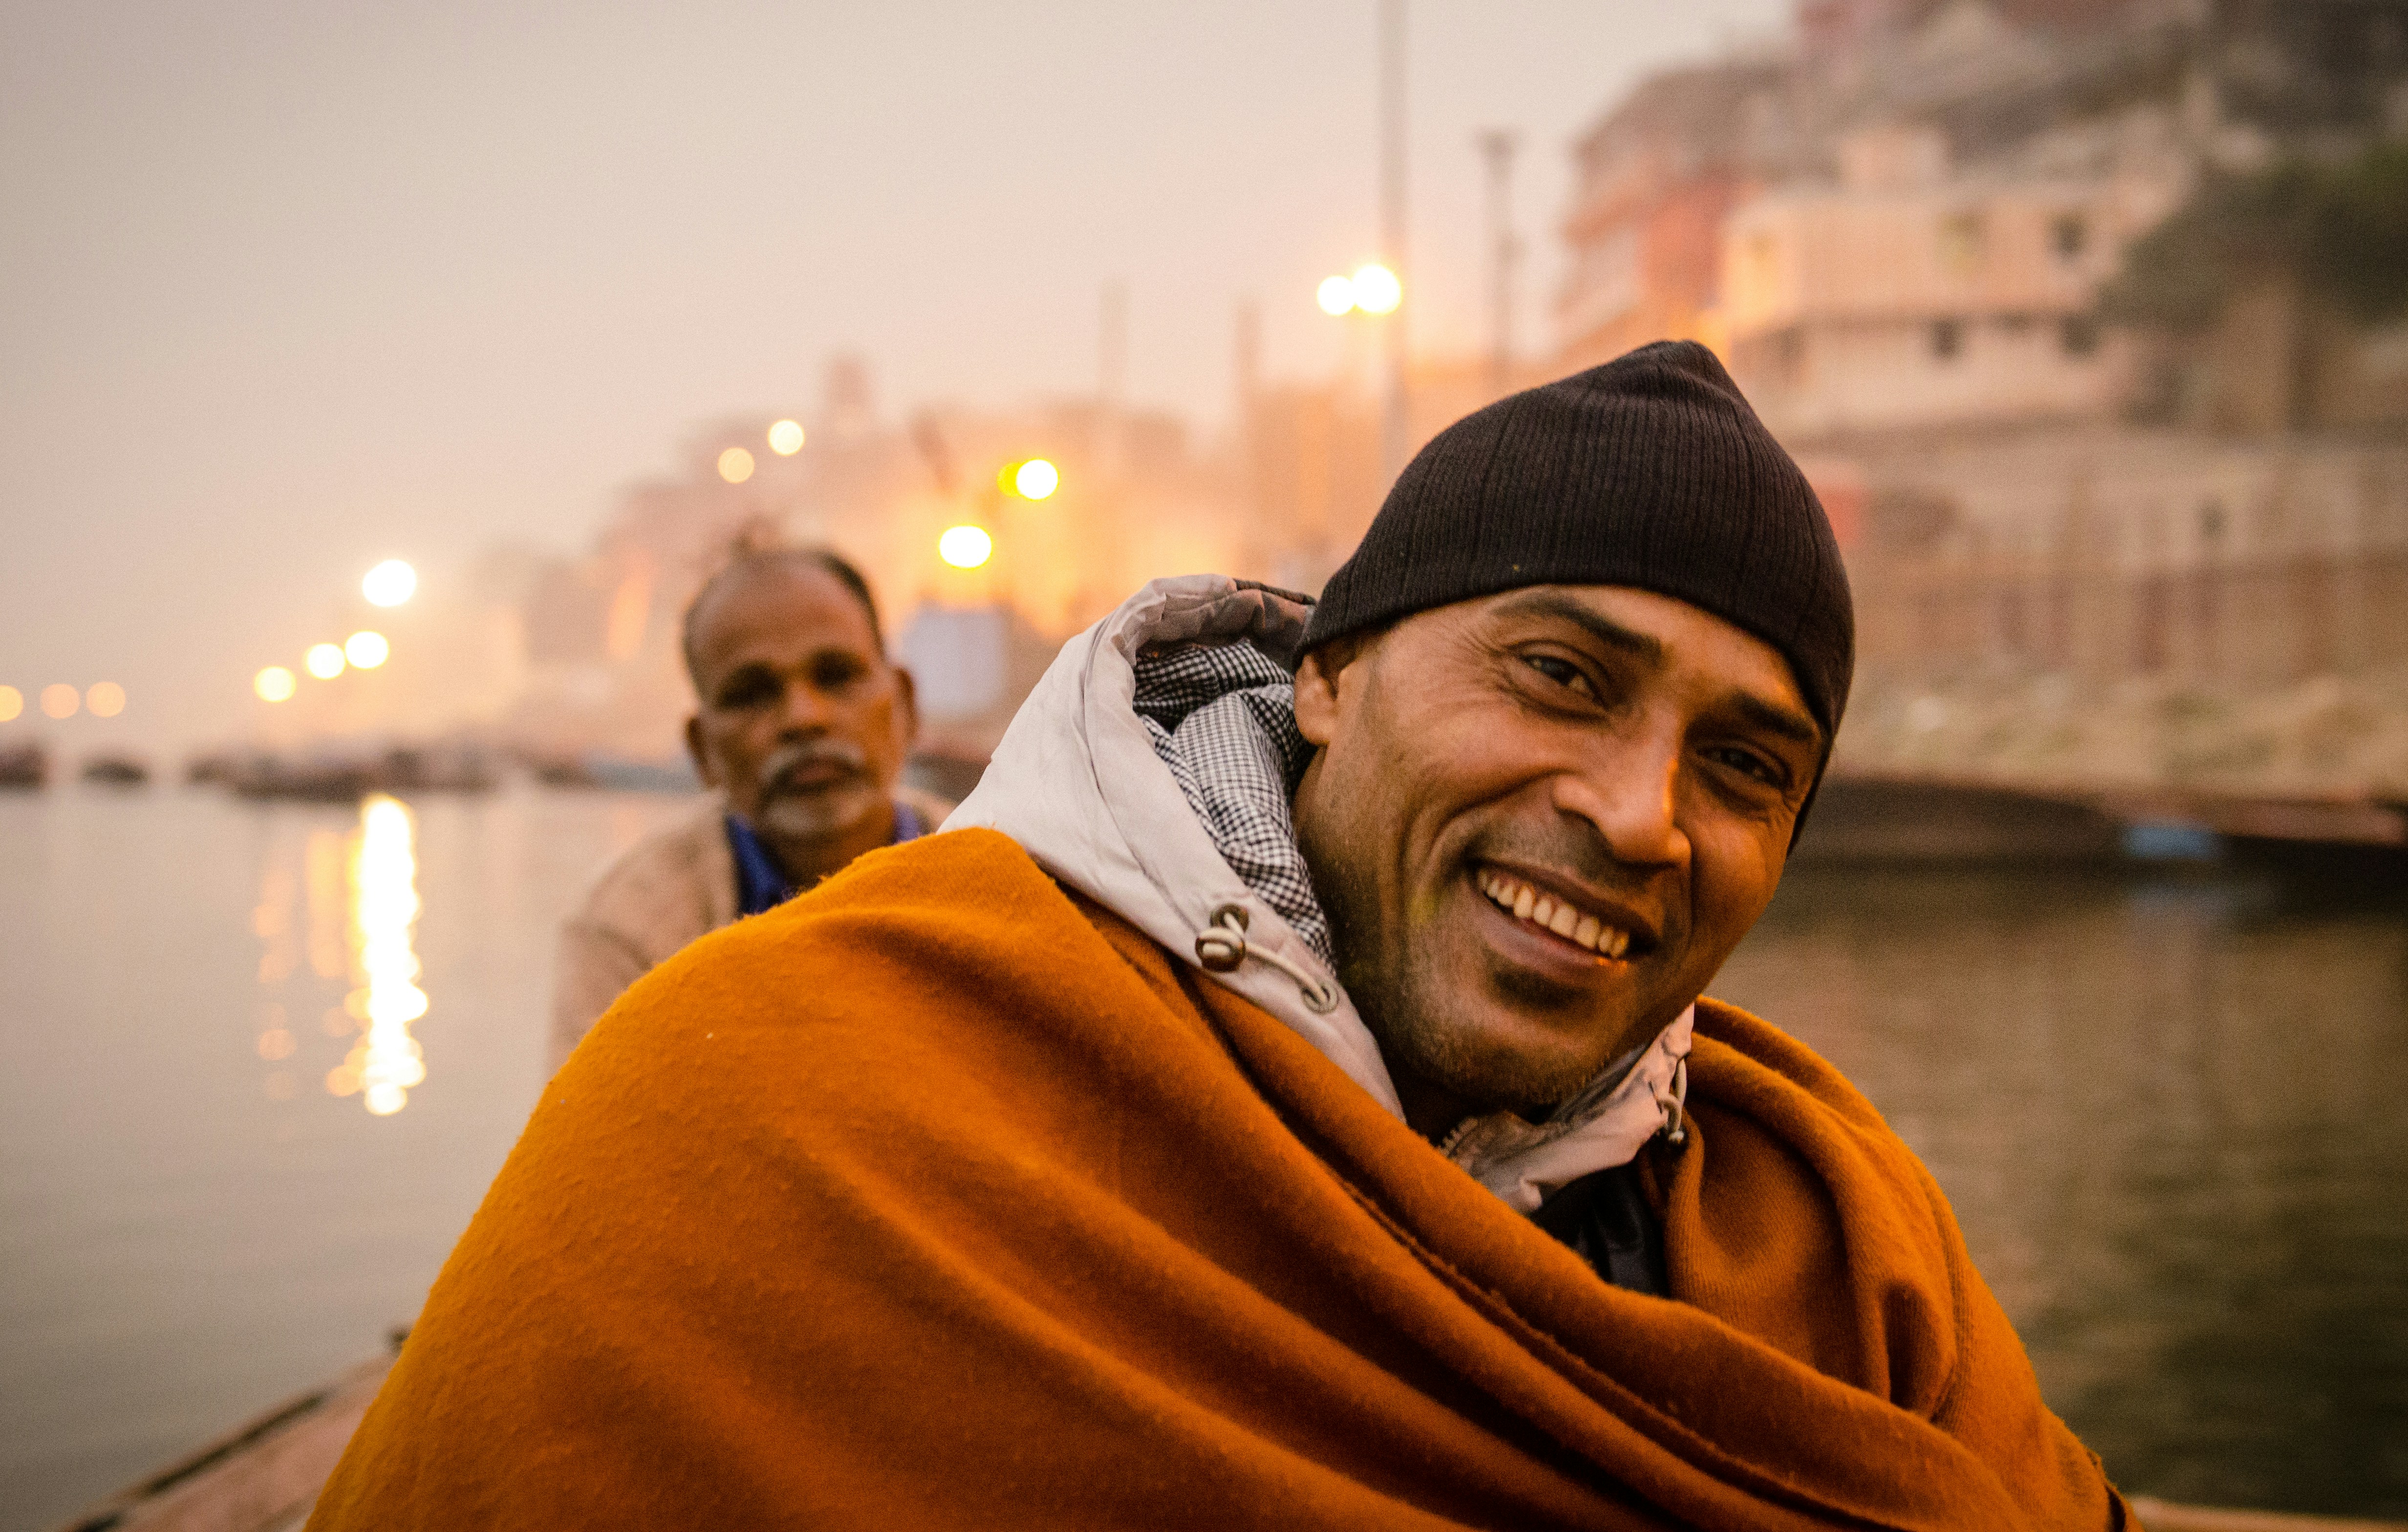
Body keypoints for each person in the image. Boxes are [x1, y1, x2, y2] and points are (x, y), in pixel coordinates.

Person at [313, 344, 2129, 1530]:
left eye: (1749, 765)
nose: (1646, 811)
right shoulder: (770, 1090)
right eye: (1562, 676)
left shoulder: (1836, 1228)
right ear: (1324, 674)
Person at [545, 543, 950, 1072]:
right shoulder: (629, 930)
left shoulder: (1021, 879)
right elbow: (588, 1148)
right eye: (752, 693)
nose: (803, 717)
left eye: (834, 675)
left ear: (904, 706)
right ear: (702, 751)